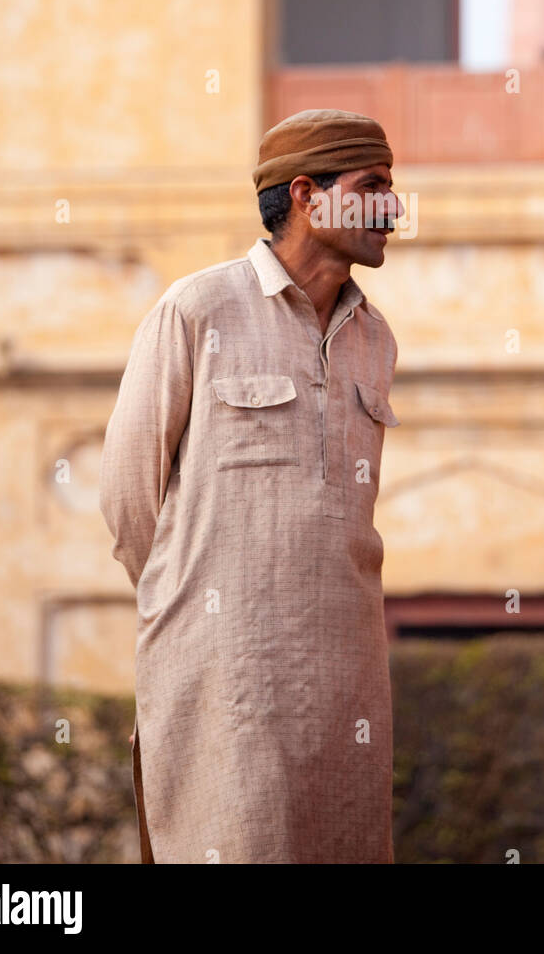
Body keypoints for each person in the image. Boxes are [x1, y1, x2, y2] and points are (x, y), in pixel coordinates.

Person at [99, 108, 403, 863]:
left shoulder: (376, 338)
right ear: (306, 193)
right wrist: (195, 606)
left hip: (348, 673)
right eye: (374, 187)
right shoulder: (198, 311)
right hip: (226, 669)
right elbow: (127, 495)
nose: (394, 210)